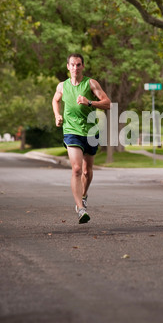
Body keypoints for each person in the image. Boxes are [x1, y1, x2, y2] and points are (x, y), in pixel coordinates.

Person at [52, 53, 111, 224]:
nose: (75, 68)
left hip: (91, 131)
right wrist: (57, 115)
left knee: (87, 171)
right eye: (72, 65)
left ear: (82, 67)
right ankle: (80, 209)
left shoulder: (91, 83)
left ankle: (84, 195)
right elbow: (55, 100)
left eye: (78, 65)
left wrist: (90, 103)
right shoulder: (62, 86)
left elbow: (107, 103)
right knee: (77, 169)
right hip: (71, 131)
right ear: (68, 66)